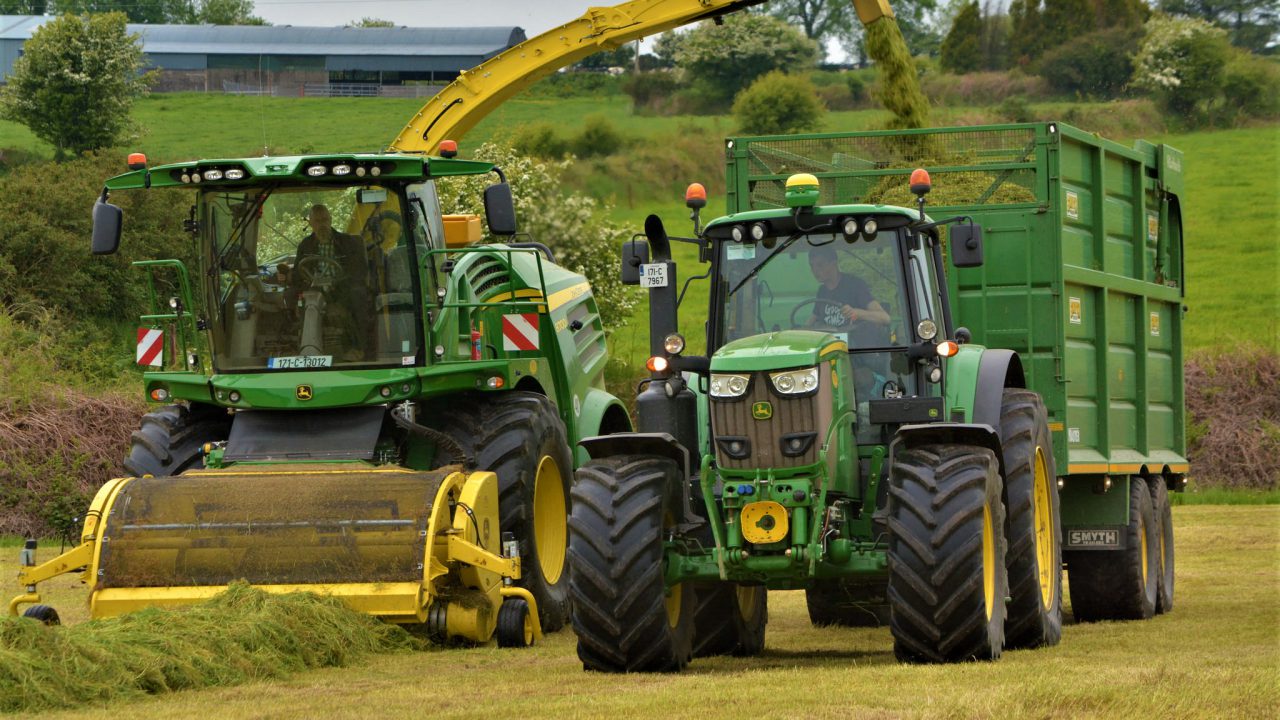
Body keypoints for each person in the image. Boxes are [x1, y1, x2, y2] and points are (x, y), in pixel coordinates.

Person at [288, 204, 374, 358]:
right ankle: (291, 347)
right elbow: (296, 276)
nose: (322, 225)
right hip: (314, 289)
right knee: (289, 295)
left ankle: (359, 348)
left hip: (343, 288)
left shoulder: (350, 243)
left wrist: (338, 282)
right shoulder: (305, 245)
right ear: (310, 224)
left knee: (358, 294)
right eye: (317, 221)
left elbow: (359, 272)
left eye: (325, 220)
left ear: (331, 219)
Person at [807, 245, 890, 331]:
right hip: (829, 343)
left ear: (834, 264)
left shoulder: (855, 285)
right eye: (812, 266)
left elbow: (885, 318)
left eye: (820, 265)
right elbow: (811, 321)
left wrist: (857, 312)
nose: (815, 270)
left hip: (855, 342)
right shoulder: (822, 291)